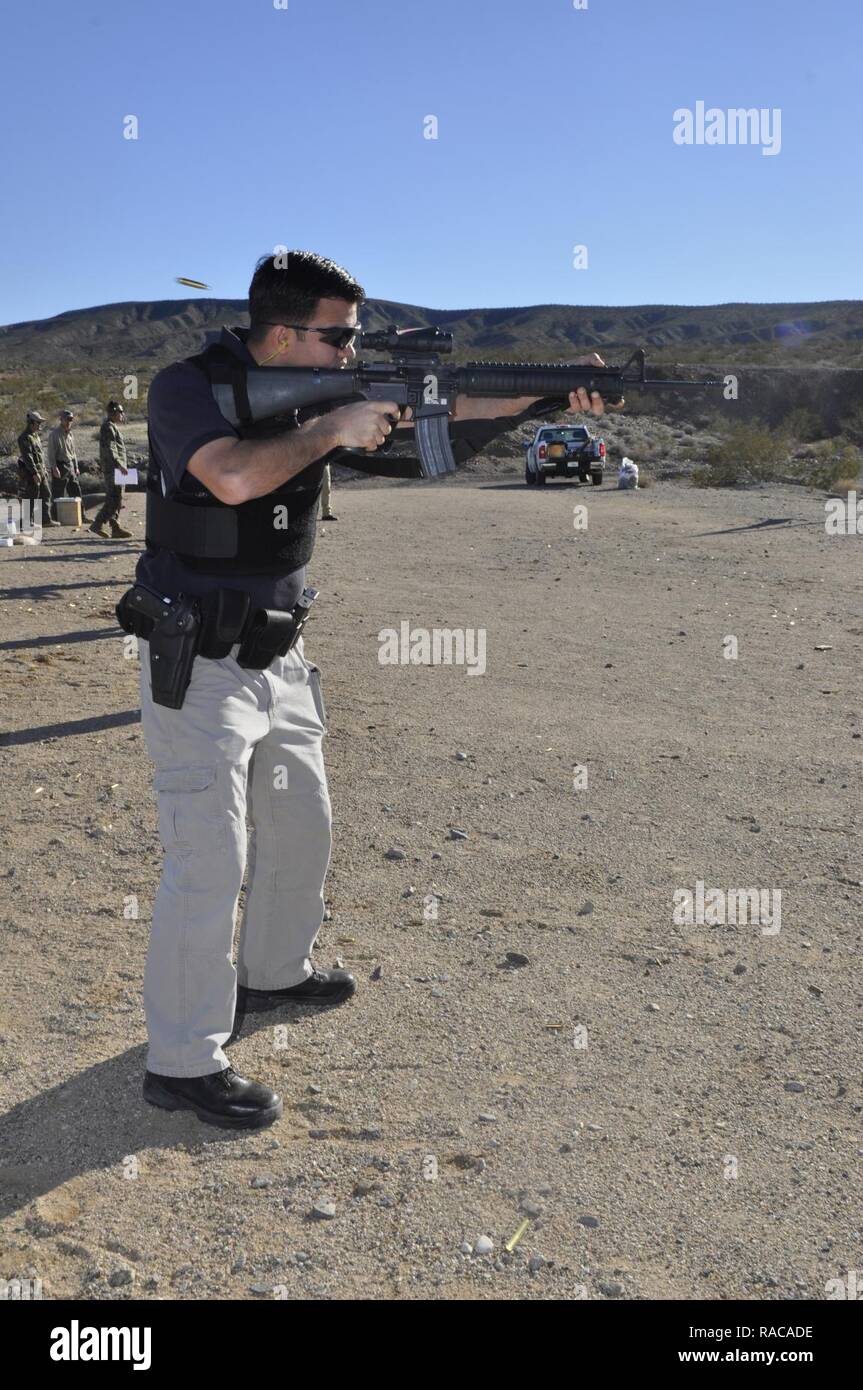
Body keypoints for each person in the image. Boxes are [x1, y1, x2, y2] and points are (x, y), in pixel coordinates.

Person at [132, 250, 617, 1130]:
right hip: (197, 654)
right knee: (209, 861)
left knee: (301, 828)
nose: (353, 352)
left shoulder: (320, 391)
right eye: (341, 337)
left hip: (278, 655)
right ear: (282, 332)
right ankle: (181, 1060)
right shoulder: (186, 387)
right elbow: (233, 476)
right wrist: (335, 426)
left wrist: (546, 393)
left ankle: (272, 976)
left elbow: (450, 417)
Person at [90, 401, 133, 538]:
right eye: (120, 411)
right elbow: (111, 448)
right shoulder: (108, 427)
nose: (122, 414)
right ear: (113, 412)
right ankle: (97, 524)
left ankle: (115, 527)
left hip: (117, 468)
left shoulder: (112, 427)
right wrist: (119, 464)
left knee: (118, 497)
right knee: (114, 497)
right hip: (114, 469)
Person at [17, 410, 58, 527]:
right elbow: (28, 457)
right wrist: (35, 473)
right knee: (31, 496)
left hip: (41, 471)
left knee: (46, 494)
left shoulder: (35, 436)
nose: (39, 425)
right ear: (31, 423)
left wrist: (43, 470)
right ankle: (26, 521)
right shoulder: (24, 438)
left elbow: (39, 455)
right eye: (38, 423)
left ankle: (46, 520)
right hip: (31, 472)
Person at [47, 409, 82, 511]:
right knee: (58, 493)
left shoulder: (70, 434)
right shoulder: (55, 434)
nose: (69, 422)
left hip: (70, 465)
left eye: (71, 419)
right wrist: (54, 468)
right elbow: (51, 454)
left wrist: (76, 467)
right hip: (60, 466)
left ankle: (81, 514)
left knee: (76, 491)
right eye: (67, 419)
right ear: (61, 420)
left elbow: (73, 452)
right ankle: (56, 516)